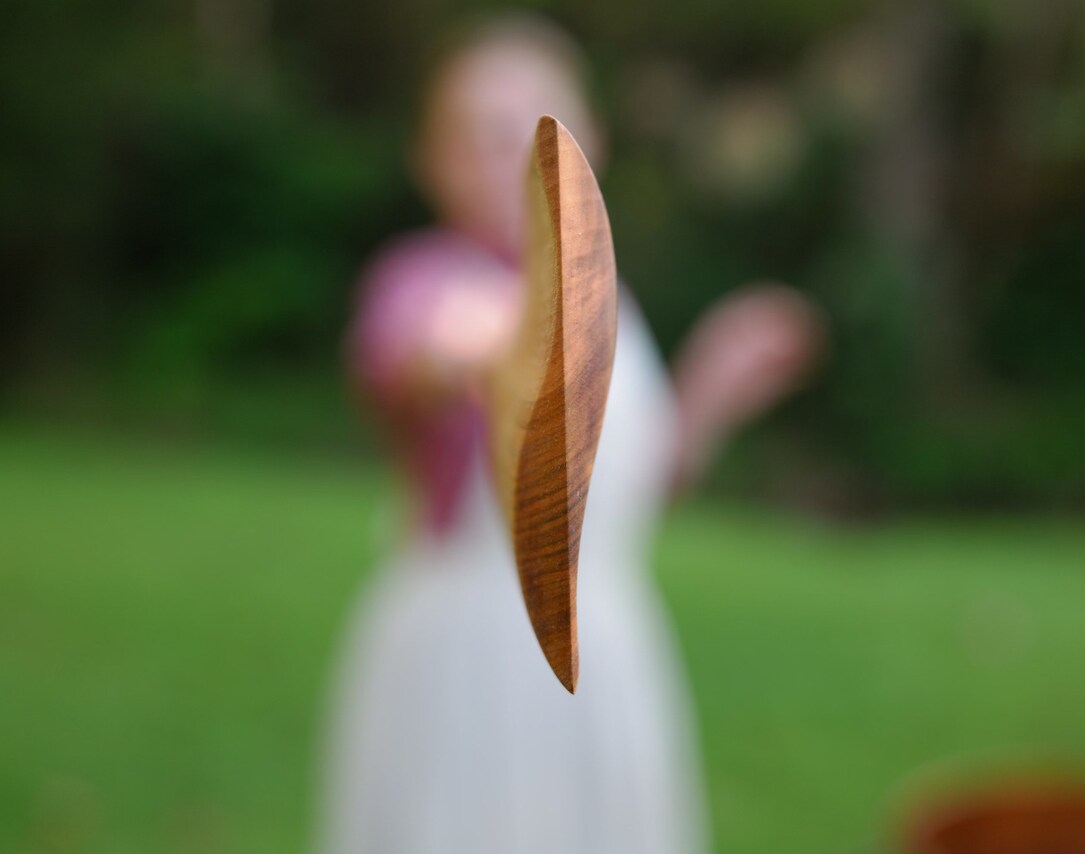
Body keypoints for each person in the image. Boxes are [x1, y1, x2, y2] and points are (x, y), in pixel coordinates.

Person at [318, 15, 824, 854]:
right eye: (474, 134)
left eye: (531, 126)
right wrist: (467, 353)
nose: (505, 153)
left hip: (610, 645)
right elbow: (400, 359)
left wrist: (707, 391)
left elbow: (632, 487)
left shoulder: (611, 306)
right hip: (472, 660)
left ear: (593, 138)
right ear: (427, 160)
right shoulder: (428, 280)